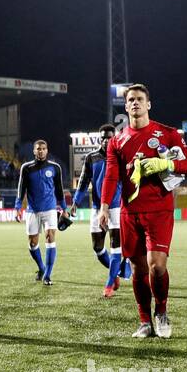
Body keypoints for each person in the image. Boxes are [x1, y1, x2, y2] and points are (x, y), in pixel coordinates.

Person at [97, 83, 187, 339]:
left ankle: (161, 312)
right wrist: (104, 206)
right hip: (130, 212)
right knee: (138, 269)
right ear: (126, 105)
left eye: (139, 99)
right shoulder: (117, 141)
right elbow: (111, 176)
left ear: (148, 104)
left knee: (157, 267)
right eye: (130, 99)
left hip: (160, 211)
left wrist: (167, 162)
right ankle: (144, 320)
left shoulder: (168, 134)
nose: (134, 103)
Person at [72, 123, 133, 297]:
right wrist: (76, 201)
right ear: (100, 139)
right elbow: (84, 181)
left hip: (116, 207)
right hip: (97, 207)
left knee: (115, 246)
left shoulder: (121, 157)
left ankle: (109, 284)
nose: (107, 140)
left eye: (110, 137)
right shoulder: (92, 158)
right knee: (97, 248)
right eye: (104, 137)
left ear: (115, 138)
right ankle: (116, 273)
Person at [13, 139, 65, 285]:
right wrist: (18, 207)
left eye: (43, 148)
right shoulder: (26, 168)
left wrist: (64, 208)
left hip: (50, 209)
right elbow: (21, 188)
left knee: (50, 237)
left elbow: (59, 189)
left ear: (47, 150)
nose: (41, 151)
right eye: (38, 149)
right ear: (34, 151)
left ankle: (48, 275)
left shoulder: (55, 168)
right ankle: (41, 268)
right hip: (32, 210)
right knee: (32, 243)